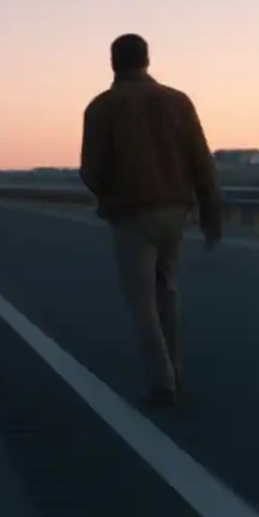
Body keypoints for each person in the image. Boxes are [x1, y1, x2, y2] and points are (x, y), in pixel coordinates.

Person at [79, 33, 222, 407]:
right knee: (166, 290)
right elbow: (202, 161)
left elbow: (91, 170)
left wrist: (106, 198)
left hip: (131, 213)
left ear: (114, 62)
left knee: (141, 301)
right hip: (175, 210)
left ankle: (163, 381)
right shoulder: (177, 101)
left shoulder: (102, 107)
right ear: (146, 59)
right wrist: (210, 211)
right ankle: (174, 368)